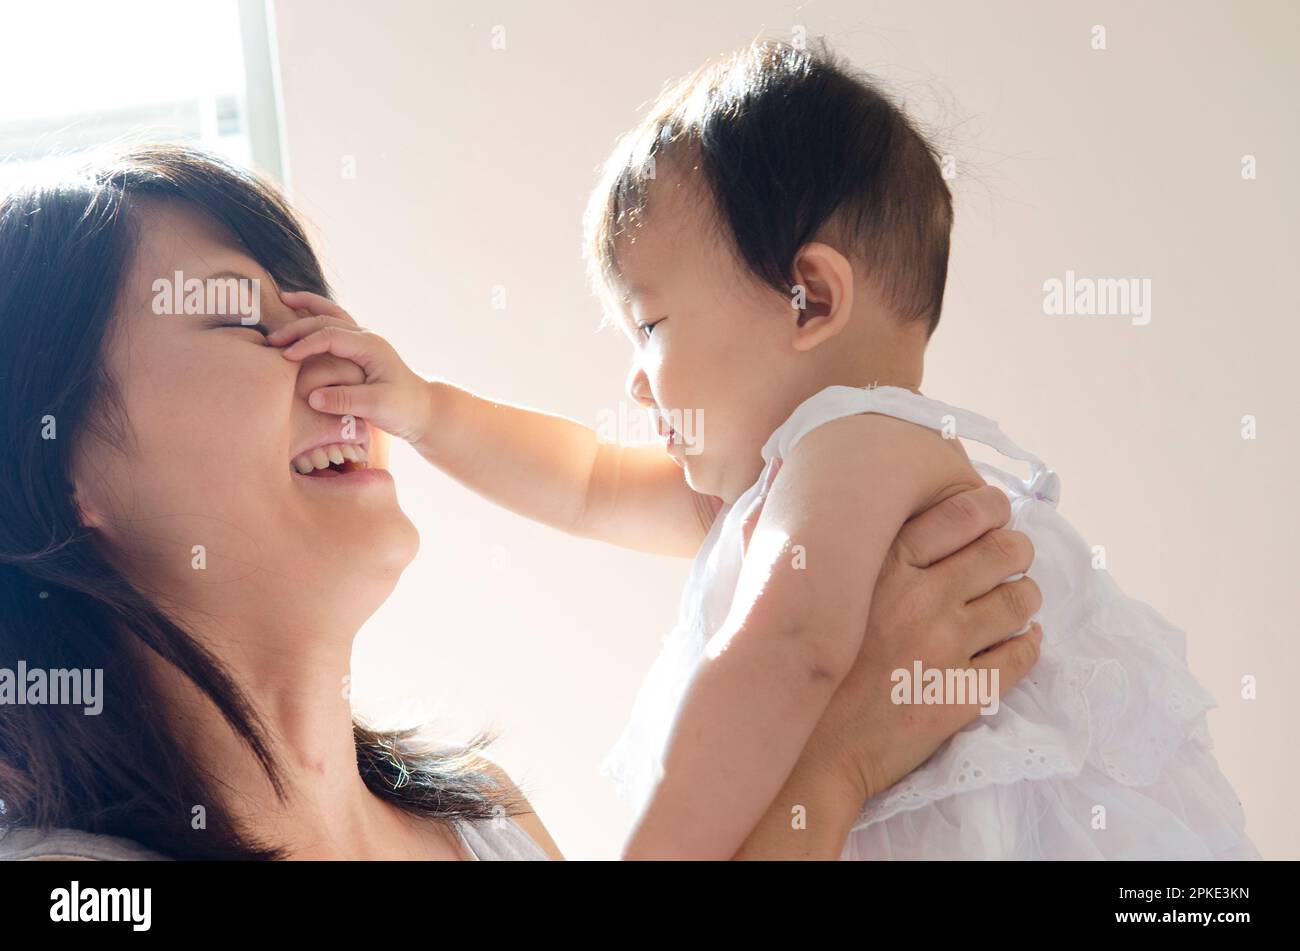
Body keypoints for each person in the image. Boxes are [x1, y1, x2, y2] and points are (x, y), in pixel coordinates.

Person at [269, 40, 1257, 859]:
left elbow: (785, 657)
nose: (634, 378)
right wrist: (429, 409)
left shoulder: (852, 445)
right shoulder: (789, 479)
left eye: (649, 326)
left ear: (808, 300)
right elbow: (585, 481)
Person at [0, 143, 1041, 861]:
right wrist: (838, 760)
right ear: (56, 461)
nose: (333, 360)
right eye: (238, 320)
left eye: (314, 311)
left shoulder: (486, 822)